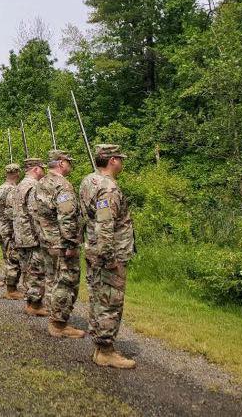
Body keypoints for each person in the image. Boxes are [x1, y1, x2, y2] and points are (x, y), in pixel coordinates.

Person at [80, 144, 136, 369]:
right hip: (108, 253)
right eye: (120, 159)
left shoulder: (88, 181)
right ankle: (105, 350)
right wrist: (108, 257)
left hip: (93, 248)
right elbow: (105, 224)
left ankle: (100, 345)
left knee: (98, 297)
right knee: (110, 301)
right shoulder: (109, 188)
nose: (122, 163)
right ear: (112, 160)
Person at [33, 150, 85, 338]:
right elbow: (67, 216)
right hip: (61, 243)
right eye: (69, 162)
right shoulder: (62, 186)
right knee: (66, 281)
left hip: (46, 240)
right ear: (61, 163)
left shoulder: (41, 183)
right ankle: (58, 323)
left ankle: (53, 318)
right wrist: (71, 243)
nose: (70, 165)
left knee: (51, 279)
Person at [13, 157, 49, 316]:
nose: (44, 171)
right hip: (32, 236)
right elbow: (36, 213)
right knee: (36, 270)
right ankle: (34, 305)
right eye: (42, 168)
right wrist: (44, 235)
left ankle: (31, 301)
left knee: (27, 269)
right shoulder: (33, 186)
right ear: (35, 169)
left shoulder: (20, 185)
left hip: (21, 234)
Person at [0, 163, 22, 299]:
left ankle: (10, 285)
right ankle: (11, 289)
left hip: (2, 226)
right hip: (10, 228)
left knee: (8, 257)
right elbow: (12, 212)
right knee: (13, 258)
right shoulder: (12, 190)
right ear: (16, 174)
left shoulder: (1, 188)